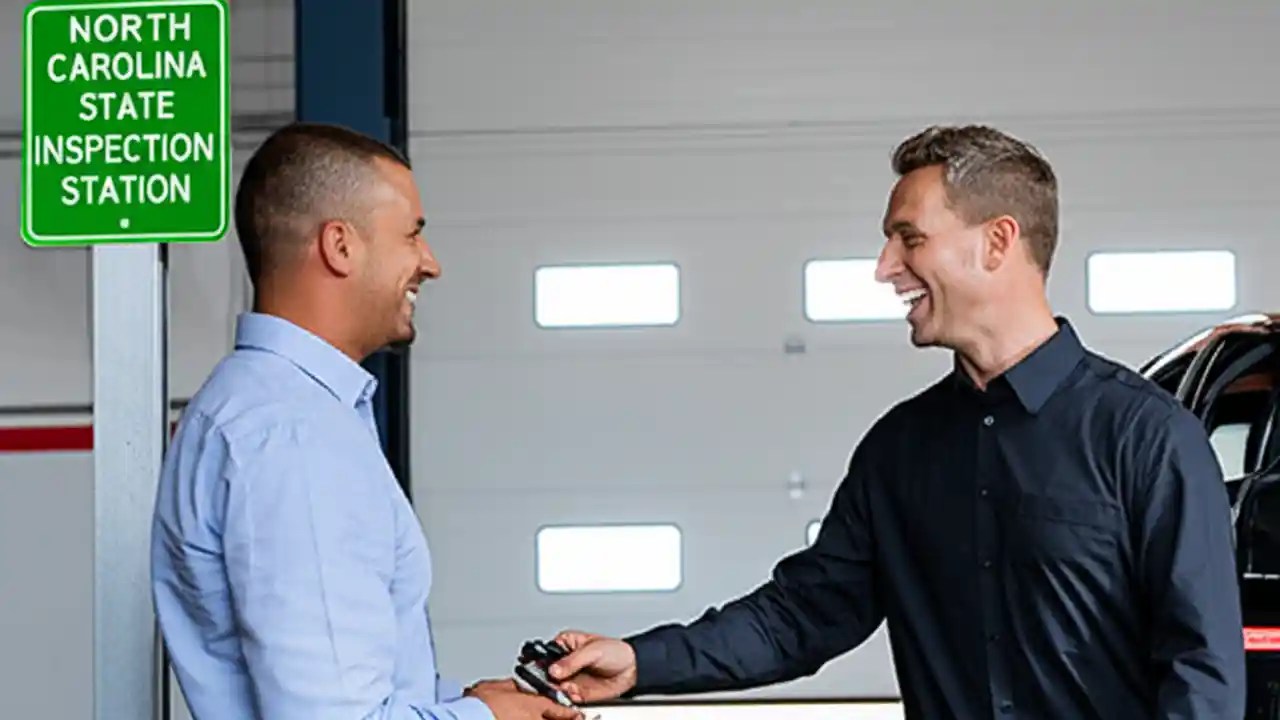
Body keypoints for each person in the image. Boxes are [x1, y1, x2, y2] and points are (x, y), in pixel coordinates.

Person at [541, 125, 1247, 718]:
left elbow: (1202, 675)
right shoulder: (899, 453)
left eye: (909, 238)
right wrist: (640, 661)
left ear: (996, 242)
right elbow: (800, 616)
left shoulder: (1147, 440)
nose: (886, 267)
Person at [151, 122, 581, 720]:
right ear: (340, 246)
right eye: (411, 235)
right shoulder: (292, 435)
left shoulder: (264, 409)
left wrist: (458, 703)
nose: (430, 264)